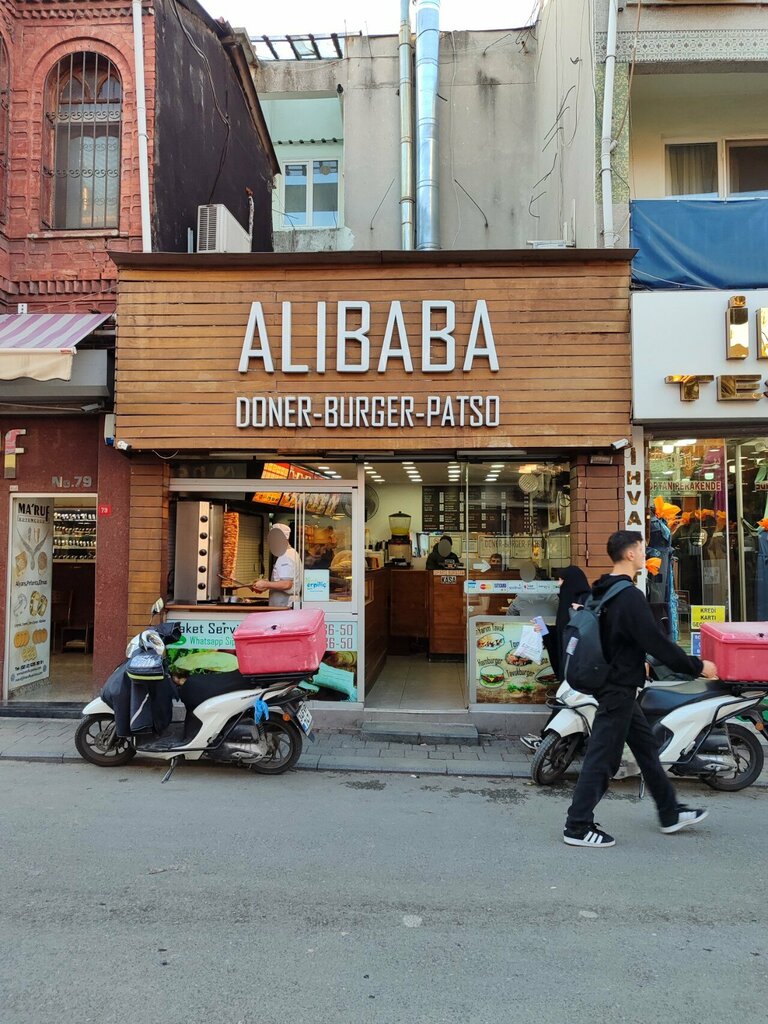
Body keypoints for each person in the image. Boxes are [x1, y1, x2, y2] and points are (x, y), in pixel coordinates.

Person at [563, 529, 718, 848]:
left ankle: (669, 811)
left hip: (615, 682)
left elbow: (617, 638)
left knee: (646, 749)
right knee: (602, 758)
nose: (647, 553)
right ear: (630, 553)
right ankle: (577, 826)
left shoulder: (602, 590)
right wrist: (696, 666)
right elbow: (655, 642)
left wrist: (638, 662)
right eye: (643, 547)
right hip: (617, 687)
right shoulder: (628, 595)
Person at [519, 565, 590, 751]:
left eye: (561, 580)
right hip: (573, 666)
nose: (558, 584)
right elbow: (561, 636)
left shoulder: (584, 603)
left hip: (579, 666)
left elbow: (574, 634)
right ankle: (564, 743)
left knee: (564, 701)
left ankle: (546, 740)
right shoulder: (567, 602)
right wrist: (542, 628)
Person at [250, 522, 300, 608]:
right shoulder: (292, 553)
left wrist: (265, 584)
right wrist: (267, 585)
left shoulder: (286, 556)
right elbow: (282, 582)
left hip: (284, 604)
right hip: (284, 604)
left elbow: (286, 584)